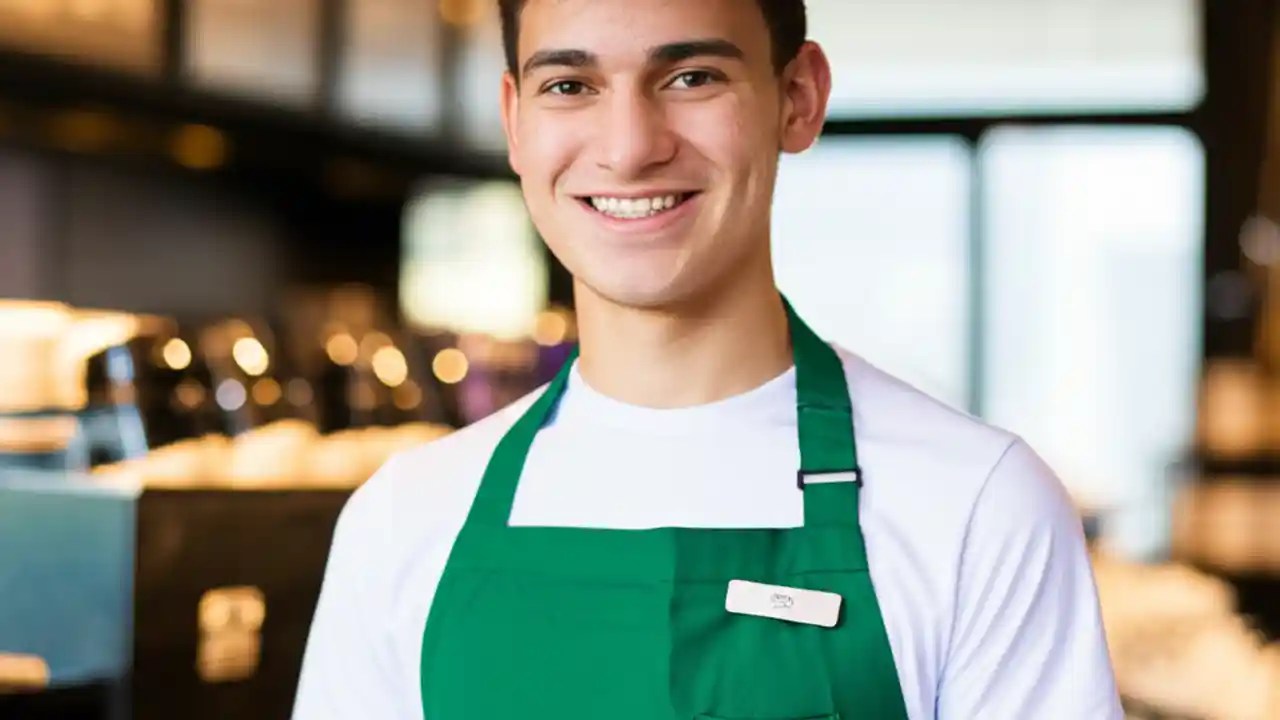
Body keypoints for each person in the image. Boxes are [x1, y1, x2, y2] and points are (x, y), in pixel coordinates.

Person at [293, 0, 1123, 717]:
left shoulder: (977, 507)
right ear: (515, 121)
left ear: (797, 98)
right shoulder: (403, 521)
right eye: (570, 85)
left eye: (690, 77)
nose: (628, 148)